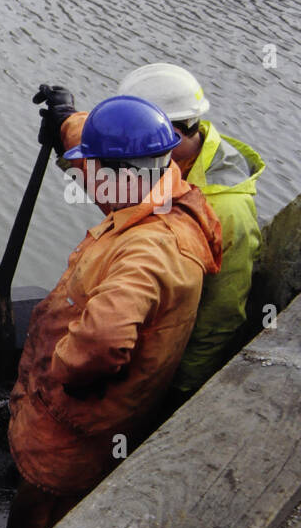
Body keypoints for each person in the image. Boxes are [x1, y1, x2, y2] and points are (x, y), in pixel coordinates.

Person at [4, 93, 223, 528]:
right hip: (62, 414)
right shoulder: (156, 179)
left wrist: (64, 372)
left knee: (39, 518)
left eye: (91, 170)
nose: (84, 178)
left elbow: (102, 342)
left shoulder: (150, 251)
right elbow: (100, 142)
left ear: (119, 175)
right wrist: (66, 119)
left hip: (74, 427)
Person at [114, 63, 265, 404]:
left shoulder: (226, 210)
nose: (127, 146)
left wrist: (181, 392)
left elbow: (221, 314)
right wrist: (66, 127)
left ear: (173, 131)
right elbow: (104, 166)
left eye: (134, 132)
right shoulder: (158, 159)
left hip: (167, 354)